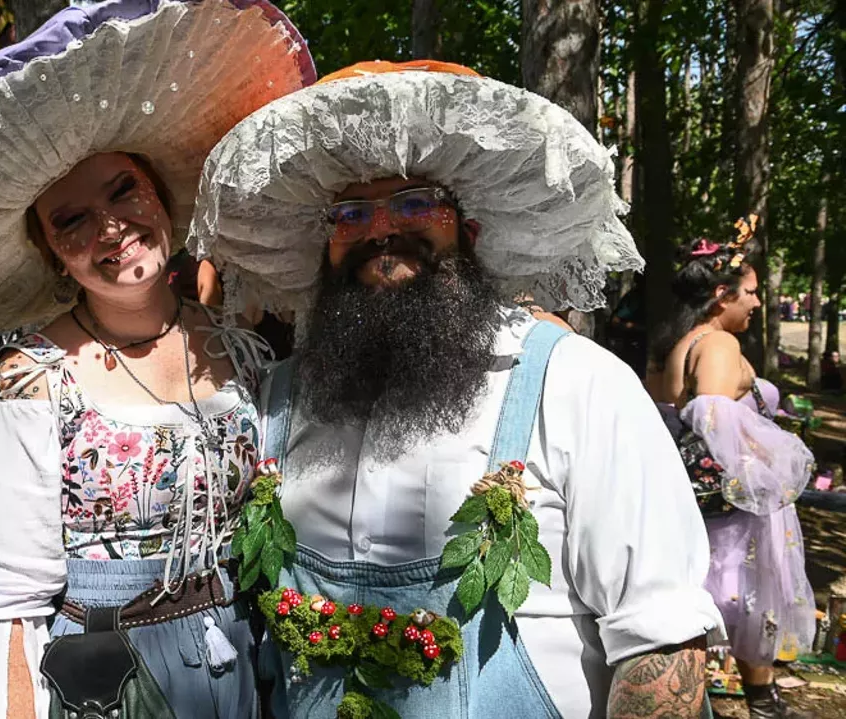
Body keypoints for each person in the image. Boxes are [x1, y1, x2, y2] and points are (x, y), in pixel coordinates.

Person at [193, 60, 723, 719]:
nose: (381, 231)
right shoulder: (276, 399)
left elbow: (662, 642)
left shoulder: (577, 385)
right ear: (324, 247)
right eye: (351, 213)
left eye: (417, 203)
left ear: (469, 233)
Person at [0, 1, 314, 716]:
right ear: (52, 253)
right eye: (74, 219)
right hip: (109, 683)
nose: (114, 226)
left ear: (159, 191)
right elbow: (10, 612)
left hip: (247, 664)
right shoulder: (30, 383)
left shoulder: (236, 351)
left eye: (123, 189)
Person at [647, 232, 815, 719]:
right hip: (731, 509)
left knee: (715, 605)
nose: (759, 301)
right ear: (723, 295)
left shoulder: (674, 343)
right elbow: (713, 424)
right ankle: (756, 706)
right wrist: (776, 451)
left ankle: (730, 703)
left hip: (699, 505)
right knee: (740, 600)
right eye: (752, 290)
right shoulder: (718, 341)